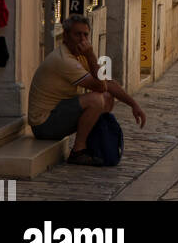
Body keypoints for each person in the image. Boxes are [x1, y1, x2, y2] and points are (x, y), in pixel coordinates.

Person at [28, 14, 146, 166]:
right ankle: (78, 152)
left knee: (107, 98)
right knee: (96, 100)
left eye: (85, 34)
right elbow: (100, 86)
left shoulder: (79, 55)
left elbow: (107, 83)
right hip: (43, 124)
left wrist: (133, 104)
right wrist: (91, 55)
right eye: (77, 34)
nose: (83, 39)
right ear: (66, 36)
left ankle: (94, 143)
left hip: (58, 113)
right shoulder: (64, 59)